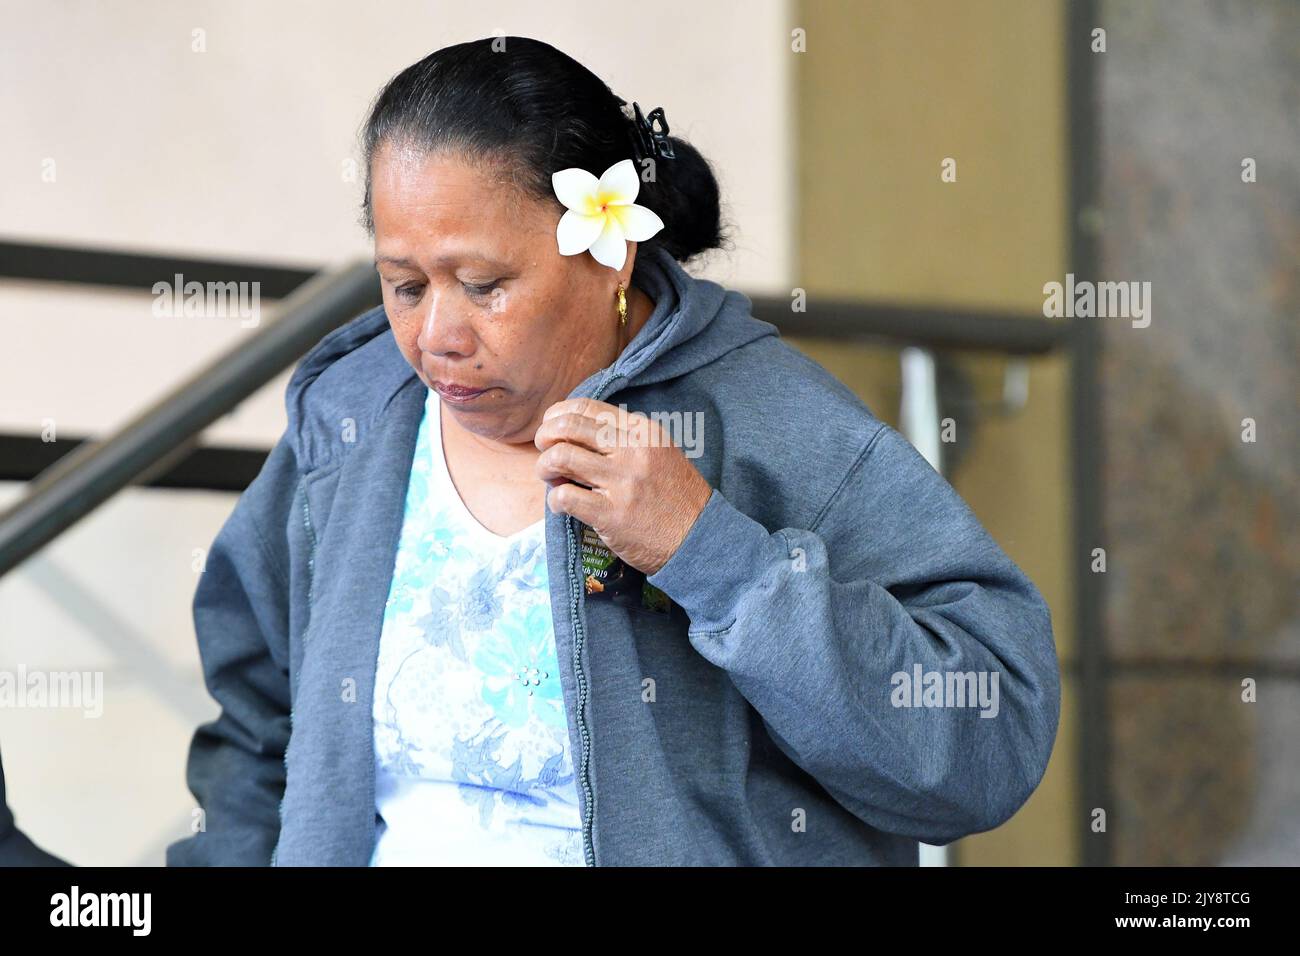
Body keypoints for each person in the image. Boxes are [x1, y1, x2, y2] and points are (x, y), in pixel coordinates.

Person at [167, 36, 1060, 867]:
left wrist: (714, 556)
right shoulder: (358, 416)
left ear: (612, 254)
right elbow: (258, 723)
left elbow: (990, 742)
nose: (436, 335)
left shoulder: (774, 424)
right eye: (404, 285)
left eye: (484, 284)